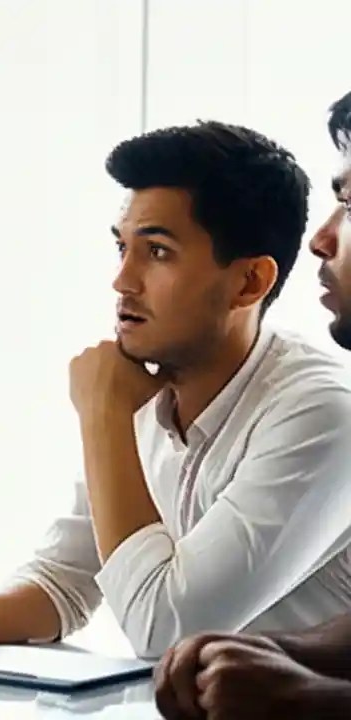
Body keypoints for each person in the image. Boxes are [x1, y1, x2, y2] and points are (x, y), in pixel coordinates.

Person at [0, 121, 351, 662]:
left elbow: (168, 631)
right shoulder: (145, 391)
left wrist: (104, 417)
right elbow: (65, 581)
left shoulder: (322, 413)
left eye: (157, 252)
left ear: (249, 282)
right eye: (121, 247)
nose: (121, 280)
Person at [153, 92, 351, 720]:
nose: (321, 239)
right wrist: (275, 651)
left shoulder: (321, 405)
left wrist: (309, 698)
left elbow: (161, 624)